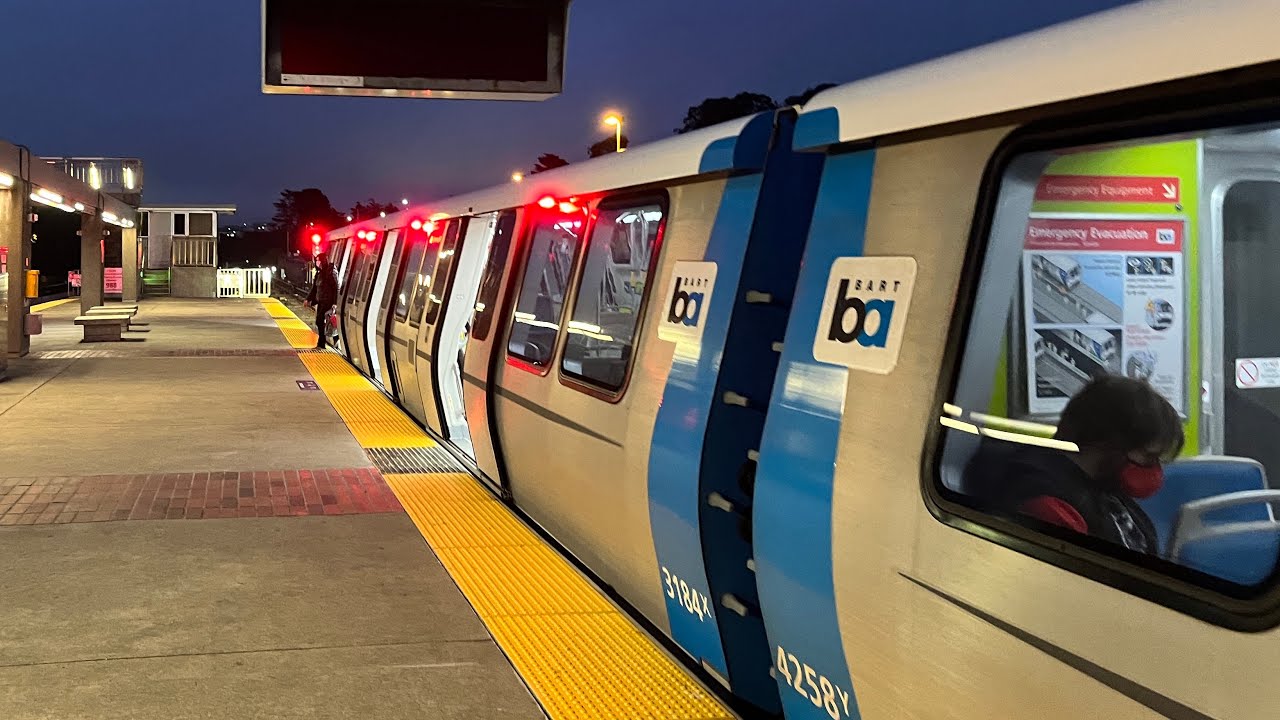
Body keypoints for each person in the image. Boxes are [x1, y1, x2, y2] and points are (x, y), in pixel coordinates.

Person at [966, 375, 1184, 555]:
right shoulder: (1048, 505)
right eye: (1148, 456)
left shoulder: (1101, 486)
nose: (1154, 468)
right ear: (1110, 443)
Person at [303, 254, 339, 350]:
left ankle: (323, 343)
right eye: (316, 261)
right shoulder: (319, 274)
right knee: (321, 322)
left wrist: (335, 303)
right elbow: (314, 289)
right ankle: (324, 342)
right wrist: (308, 299)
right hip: (321, 301)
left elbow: (335, 288)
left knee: (324, 321)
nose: (317, 263)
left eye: (319, 260)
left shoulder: (331, 272)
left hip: (328, 302)